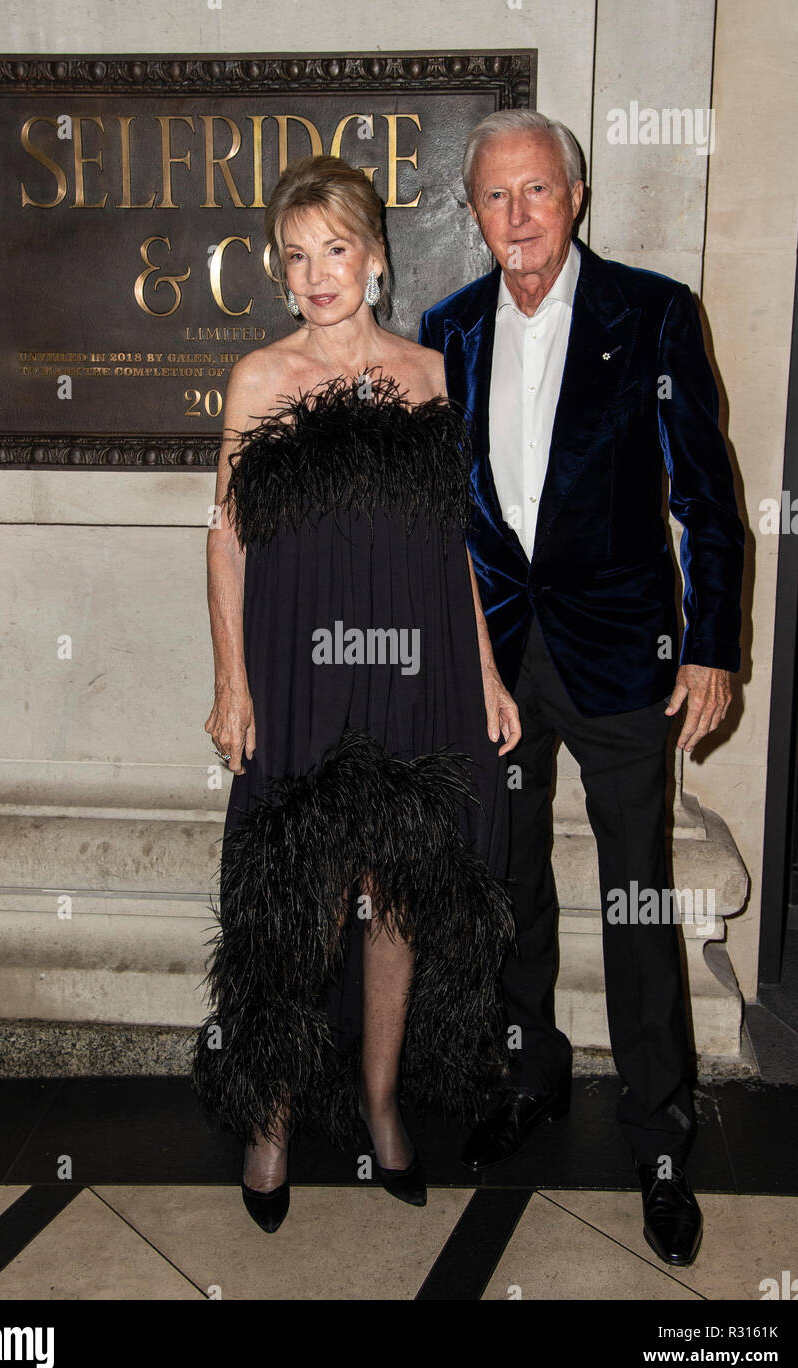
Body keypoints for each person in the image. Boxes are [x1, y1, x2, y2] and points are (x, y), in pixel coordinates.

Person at [419, 110, 745, 1267]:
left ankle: (659, 1135)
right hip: (500, 659)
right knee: (504, 880)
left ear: (576, 195)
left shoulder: (650, 313)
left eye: (537, 192)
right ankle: (529, 1070)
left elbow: (706, 499)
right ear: (474, 214)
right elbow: (442, 520)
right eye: (495, 199)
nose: (518, 218)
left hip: (621, 659)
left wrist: (709, 645)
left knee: (637, 896)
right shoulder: (444, 330)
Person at [191, 154, 521, 1233]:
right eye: (297, 255)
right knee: (299, 899)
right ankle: (272, 1118)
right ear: (281, 276)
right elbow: (227, 540)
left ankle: (380, 1101)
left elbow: (451, 546)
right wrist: (232, 679)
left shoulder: (429, 374)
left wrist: (480, 672)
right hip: (296, 668)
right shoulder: (259, 379)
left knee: (398, 894)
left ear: (376, 257)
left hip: (415, 662)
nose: (317, 272)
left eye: (336, 248)